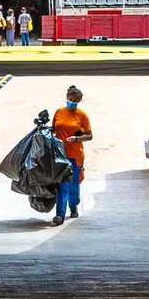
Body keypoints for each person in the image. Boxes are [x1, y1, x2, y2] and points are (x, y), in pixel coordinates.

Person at [50, 84, 91, 222]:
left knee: (73, 183)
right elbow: (54, 129)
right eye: (71, 99)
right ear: (67, 97)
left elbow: (89, 135)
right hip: (60, 155)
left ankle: (73, 206)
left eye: (75, 101)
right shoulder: (59, 112)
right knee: (62, 184)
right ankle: (60, 214)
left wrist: (77, 138)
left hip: (75, 155)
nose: (72, 102)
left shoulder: (82, 115)